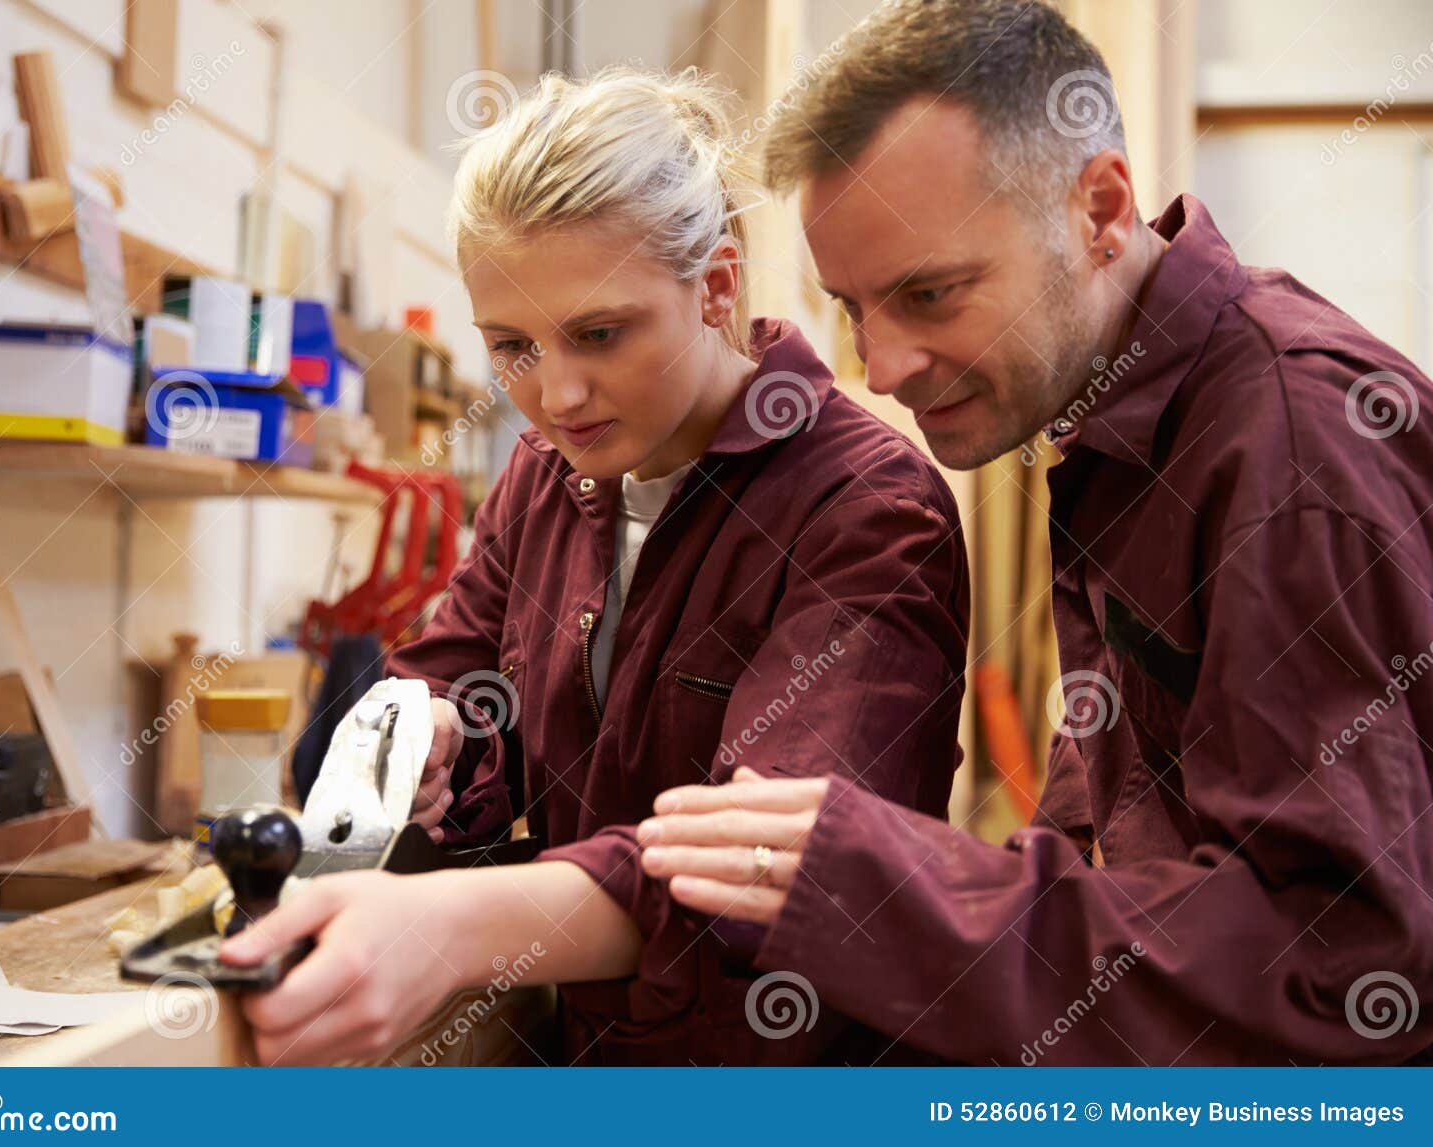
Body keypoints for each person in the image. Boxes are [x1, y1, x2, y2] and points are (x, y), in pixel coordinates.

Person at [637, 0, 1433, 1064]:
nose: (883, 368)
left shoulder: (1289, 453)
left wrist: (910, 892)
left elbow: (1339, 964)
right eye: (851, 307)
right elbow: (1127, 790)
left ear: (1100, 209)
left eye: (930, 293)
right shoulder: (1122, 422)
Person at [219, 68, 970, 1065]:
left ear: (714, 288)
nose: (554, 392)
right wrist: (434, 740)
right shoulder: (547, 474)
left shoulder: (867, 508)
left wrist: (445, 928)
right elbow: (441, 666)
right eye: (511, 345)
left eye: (600, 333)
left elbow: (758, 867)